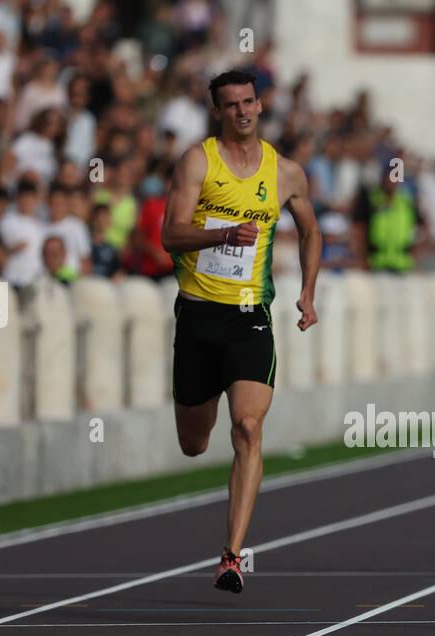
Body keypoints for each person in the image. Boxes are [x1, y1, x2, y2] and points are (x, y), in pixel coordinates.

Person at [160, 69, 321, 593]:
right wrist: (225, 232)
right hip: (198, 315)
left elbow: (312, 229)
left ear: (260, 104)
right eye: (231, 105)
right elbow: (170, 234)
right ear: (218, 111)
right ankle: (199, 431)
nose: (243, 112)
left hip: (251, 317)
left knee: (248, 428)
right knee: (194, 442)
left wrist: (307, 292)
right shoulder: (198, 161)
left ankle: (232, 555)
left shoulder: (285, 172)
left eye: (249, 102)